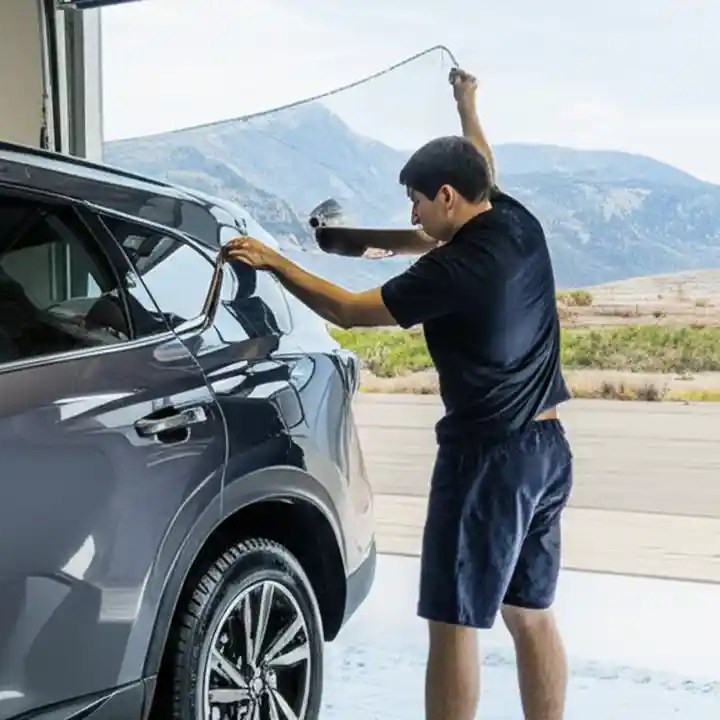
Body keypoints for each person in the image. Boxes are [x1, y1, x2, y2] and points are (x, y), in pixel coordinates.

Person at [224, 69, 574, 720]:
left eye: (416, 201)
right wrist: (467, 102)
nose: (410, 214)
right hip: (549, 450)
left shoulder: (454, 270)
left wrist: (275, 262)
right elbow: (482, 164)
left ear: (447, 197)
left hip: (487, 460)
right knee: (530, 616)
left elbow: (351, 311)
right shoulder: (515, 223)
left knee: (454, 622)